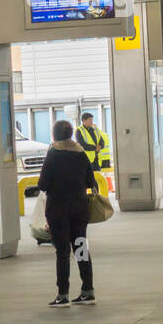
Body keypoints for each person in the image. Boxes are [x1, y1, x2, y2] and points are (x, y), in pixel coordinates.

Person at [37, 119, 96, 307]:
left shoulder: (53, 154)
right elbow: (90, 181)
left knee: (62, 252)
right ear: (71, 134)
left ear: (54, 135)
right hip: (79, 208)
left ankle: (63, 295)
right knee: (81, 247)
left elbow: (43, 184)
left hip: (58, 210)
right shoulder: (81, 153)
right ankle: (88, 291)